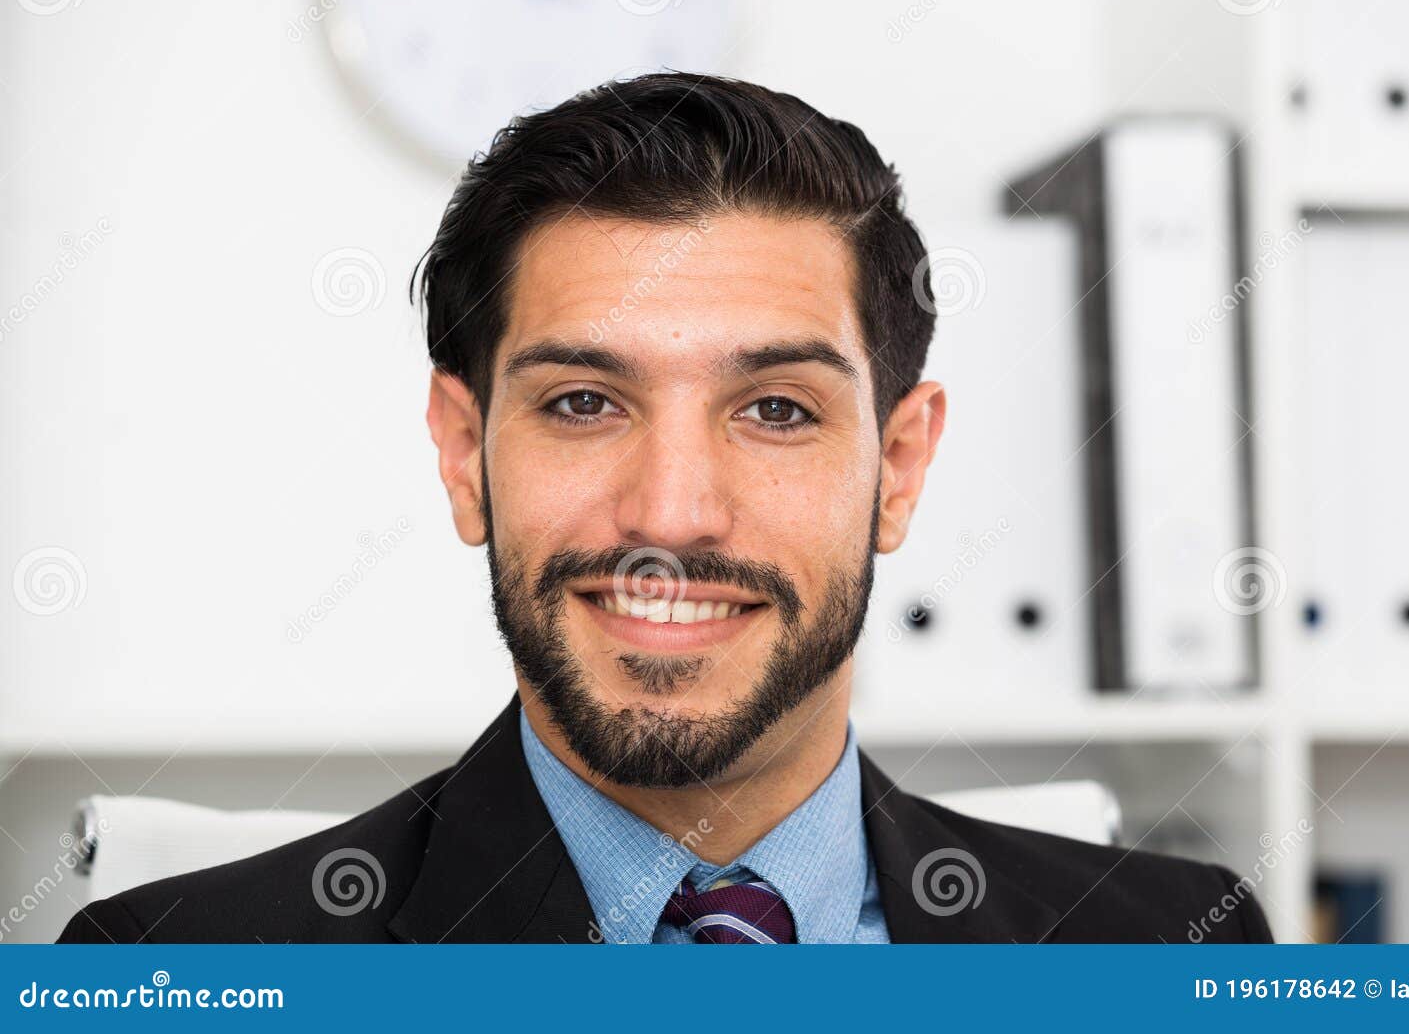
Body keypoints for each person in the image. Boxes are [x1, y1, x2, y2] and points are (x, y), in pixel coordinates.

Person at [59, 74, 1270, 944]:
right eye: (585, 401)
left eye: (777, 410)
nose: (675, 513)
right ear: (464, 451)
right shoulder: (178, 968)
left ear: (898, 466)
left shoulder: (1171, 947)